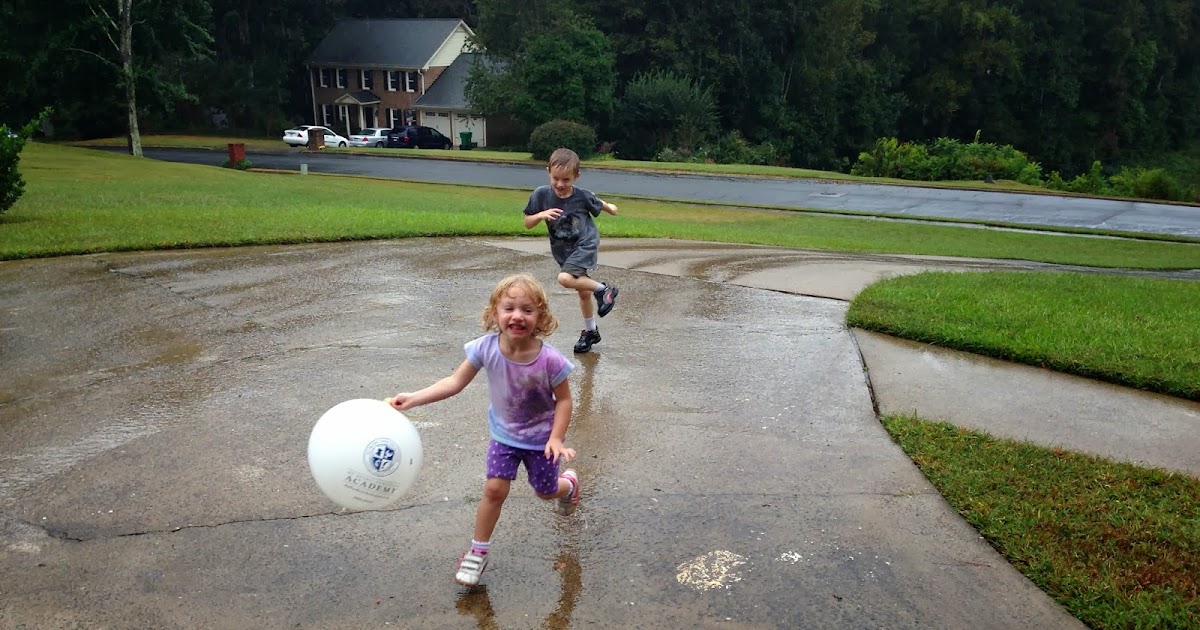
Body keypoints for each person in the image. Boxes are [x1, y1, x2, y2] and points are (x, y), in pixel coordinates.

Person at [386, 273, 581, 587]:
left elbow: (565, 401)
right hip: (504, 437)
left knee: (545, 491)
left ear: (540, 318)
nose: (517, 315)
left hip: (541, 441)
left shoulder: (550, 361)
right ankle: (478, 552)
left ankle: (568, 485)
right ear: (495, 314)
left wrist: (556, 437)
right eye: (509, 308)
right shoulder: (484, 348)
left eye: (527, 310)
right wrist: (413, 398)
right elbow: (454, 382)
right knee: (494, 490)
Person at [523, 148, 620, 354]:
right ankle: (591, 331)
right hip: (563, 250)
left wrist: (610, 207)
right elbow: (527, 223)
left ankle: (605, 290)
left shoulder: (581, 196)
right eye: (555, 178)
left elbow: (596, 202)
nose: (560, 184)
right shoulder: (540, 195)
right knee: (583, 291)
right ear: (548, 171)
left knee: (565, 279)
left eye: (566, 179)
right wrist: (541, 214)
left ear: (576, 176)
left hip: (585, 244)